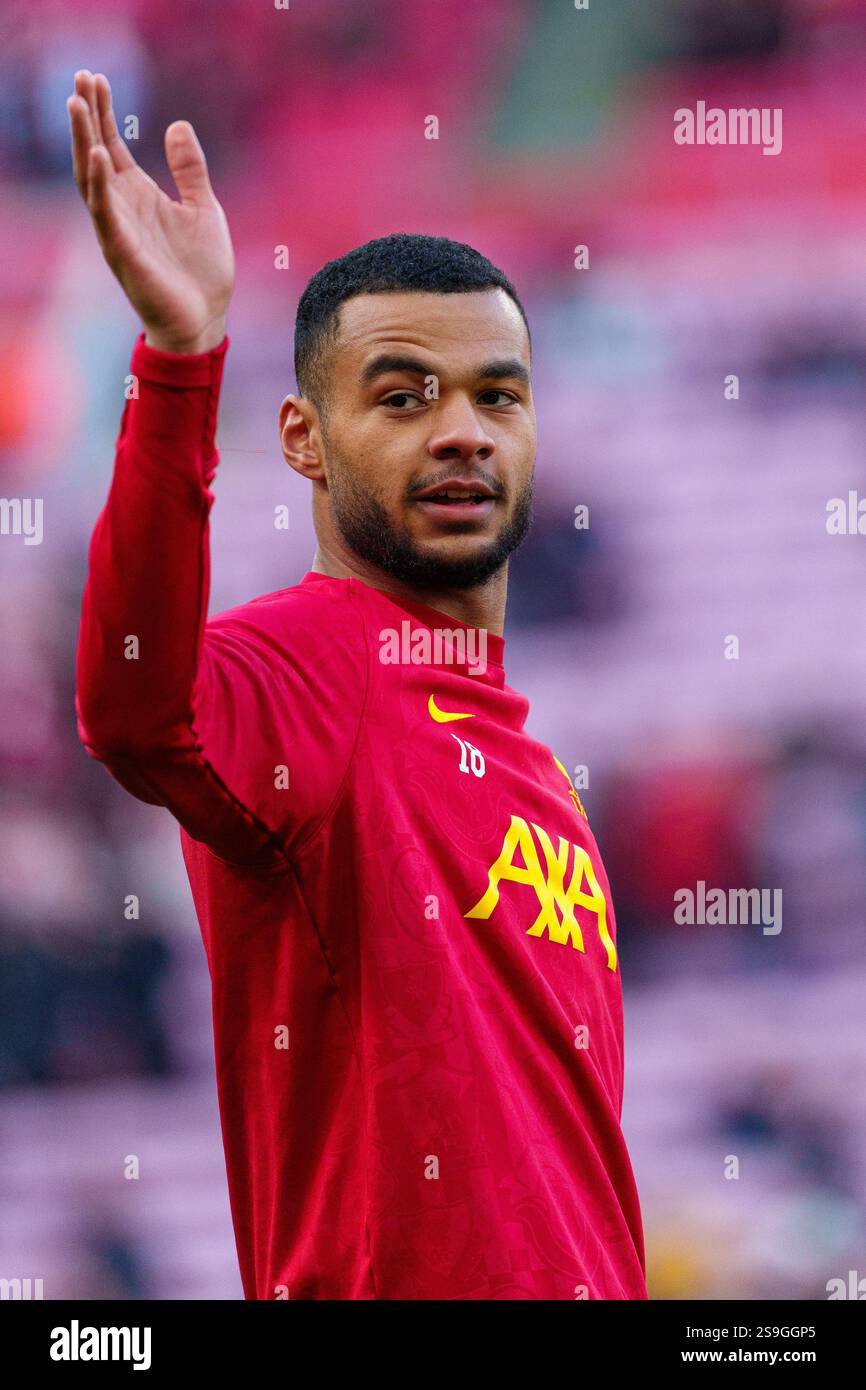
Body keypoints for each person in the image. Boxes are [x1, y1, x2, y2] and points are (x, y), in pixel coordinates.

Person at [69, 68, 647, 1300]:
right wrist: (181, 356)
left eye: (499, 395)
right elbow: (131, 710)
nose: (462, 431)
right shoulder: (309, 665)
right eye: (401, 396)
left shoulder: (539, 771)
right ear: (301, 442)